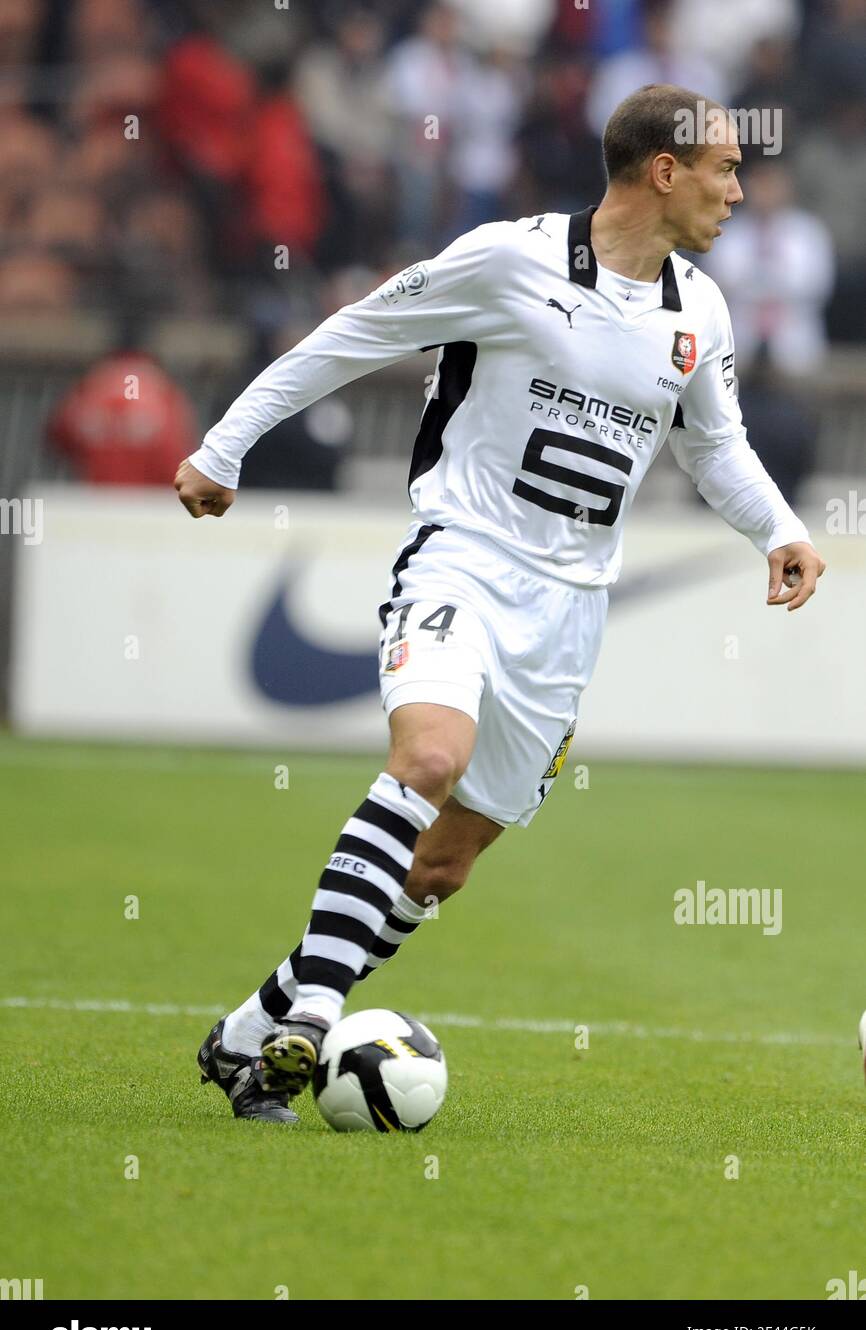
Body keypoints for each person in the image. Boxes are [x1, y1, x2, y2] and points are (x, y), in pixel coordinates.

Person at [174, 84, 825, 1125]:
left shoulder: (695, 309)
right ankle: (315, 1017)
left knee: (439, 867)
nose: (737, 191)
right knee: (425, 757)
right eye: (723, 169)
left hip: (567, 616)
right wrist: (224, 445)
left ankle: (249, 1033)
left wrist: (778, 529)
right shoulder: (506, 260)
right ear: (663, 170)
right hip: (462, 561)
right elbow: (352, 334)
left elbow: (712, 442)